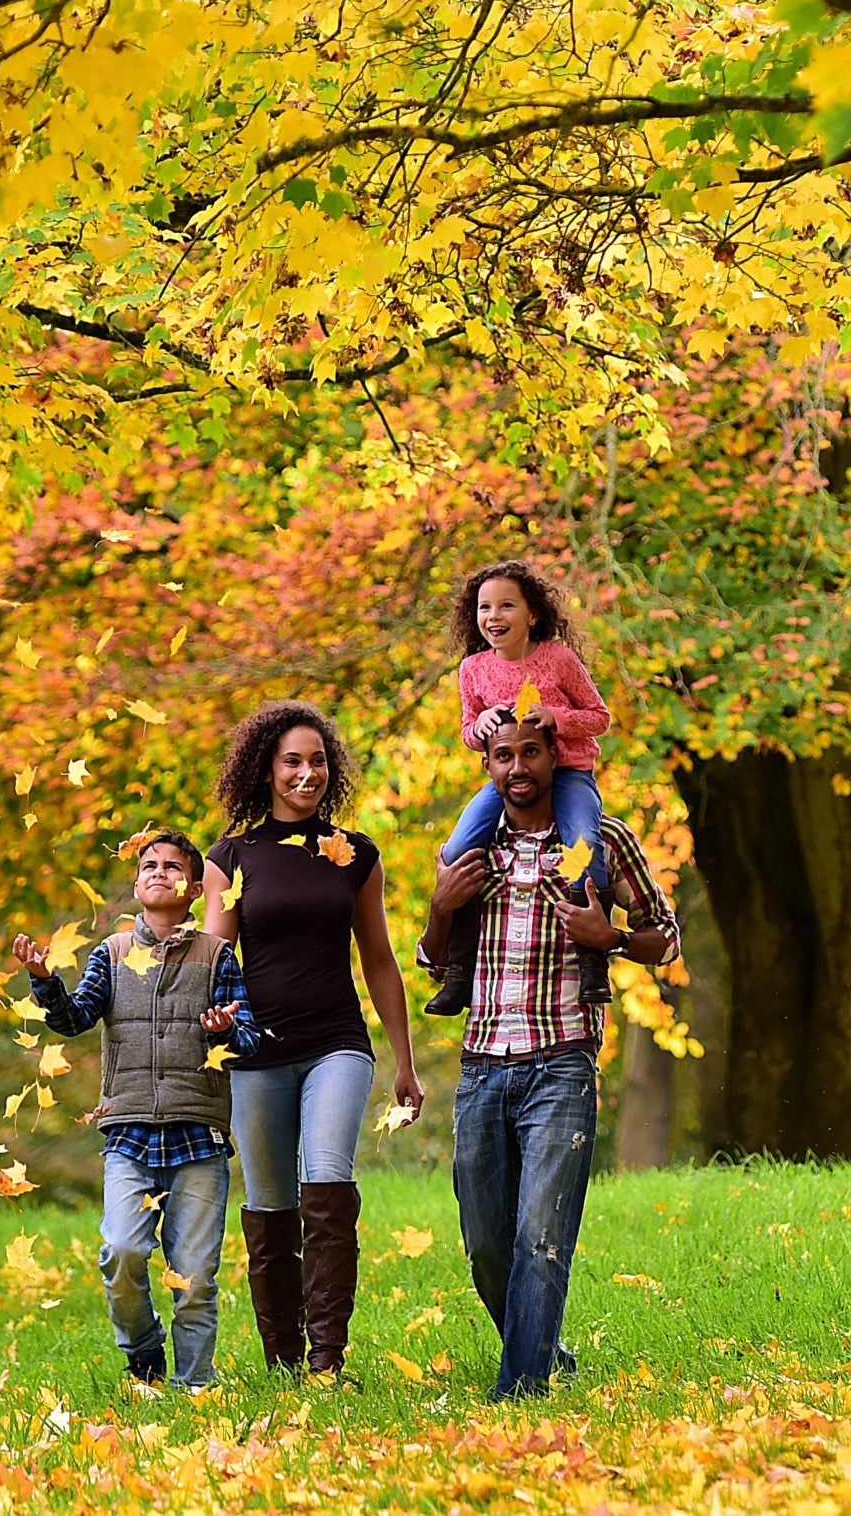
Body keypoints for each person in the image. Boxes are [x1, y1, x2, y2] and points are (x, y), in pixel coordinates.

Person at [420, 715, 679, 1401]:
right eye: (502, 756)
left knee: (541, 1239)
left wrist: (611, 937)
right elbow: (432, 960)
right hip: (482, 1067)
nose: (517, 767)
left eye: (529, 752)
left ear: (553, 756)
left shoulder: (597, 841)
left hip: (560, 1065)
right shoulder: (471, 851)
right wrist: (442, 909)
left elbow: (666, 937)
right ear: (489, 766)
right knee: (485, 1243)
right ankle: (544, 1349)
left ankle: (522, 1391)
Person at [202, 701, 425, 1376]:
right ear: (266, 771)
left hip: (337, 1042)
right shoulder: (230, 857)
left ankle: (328, 1357)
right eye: (292, 761)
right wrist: (213, 1027)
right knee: (269, 1203)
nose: (307, 774)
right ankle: (284, 1361)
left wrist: (405, 1064)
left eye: (318, 761)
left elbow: (380, 961)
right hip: (257, 1053)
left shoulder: (354, 855)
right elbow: (215, 958)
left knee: (327, 1180)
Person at [13, 829, 258, 1393]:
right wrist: (45, 981)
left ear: (194, 888)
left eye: (174, 867)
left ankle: (194, 1385)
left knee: (194, 1277)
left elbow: (249, 1039)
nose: (159, 872)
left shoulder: (217, 956)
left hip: (199, 1135)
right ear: (136, 882)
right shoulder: (113, 954)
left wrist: (226, 1031)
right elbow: (75, 1020)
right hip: (129, 1136)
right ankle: (143, 1351)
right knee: (122, 1252)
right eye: (149, 864)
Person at [426, 559, 616, 1018]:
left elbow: (600, 717)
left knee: (583, 845)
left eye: (507, 605)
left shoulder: (557, 659)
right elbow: (470, 730)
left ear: (531, 614)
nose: (494, 617)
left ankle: (593, 962)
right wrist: (482, 725)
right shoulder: (472, 669)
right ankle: (458, 970)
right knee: (457, 850)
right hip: (507, 779)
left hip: (567, 772)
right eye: (484, 607)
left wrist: (558, 718)